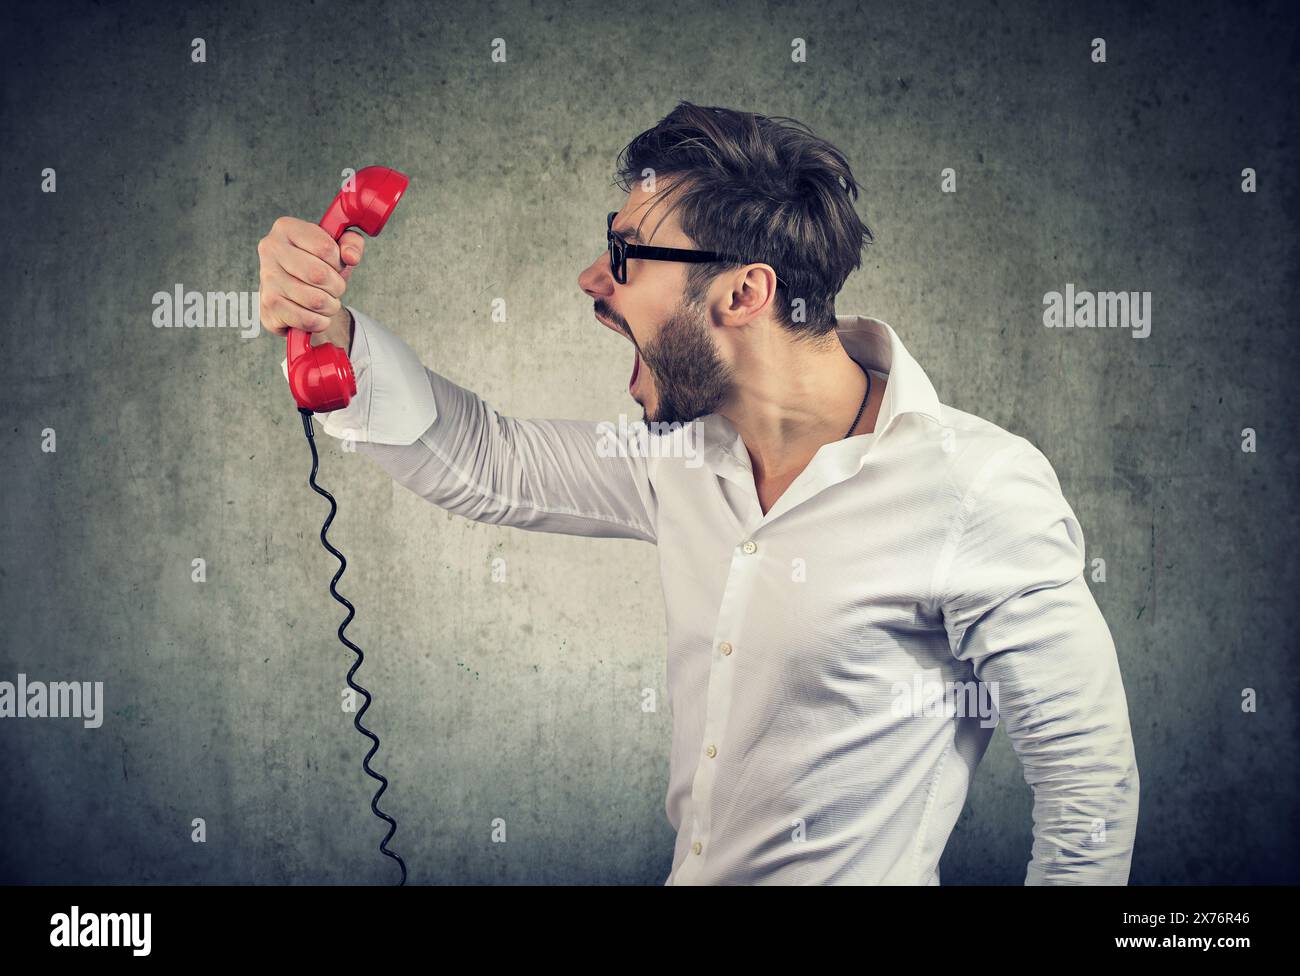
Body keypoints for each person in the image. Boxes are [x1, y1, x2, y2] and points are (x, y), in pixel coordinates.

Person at [257, 101, 1139, 885]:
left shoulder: (974, 489)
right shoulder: (683, 455)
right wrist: (332, 332)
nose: (593, 283)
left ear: (744, 292)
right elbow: (493, 463)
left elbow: (1088, 787)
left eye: (624, 255)